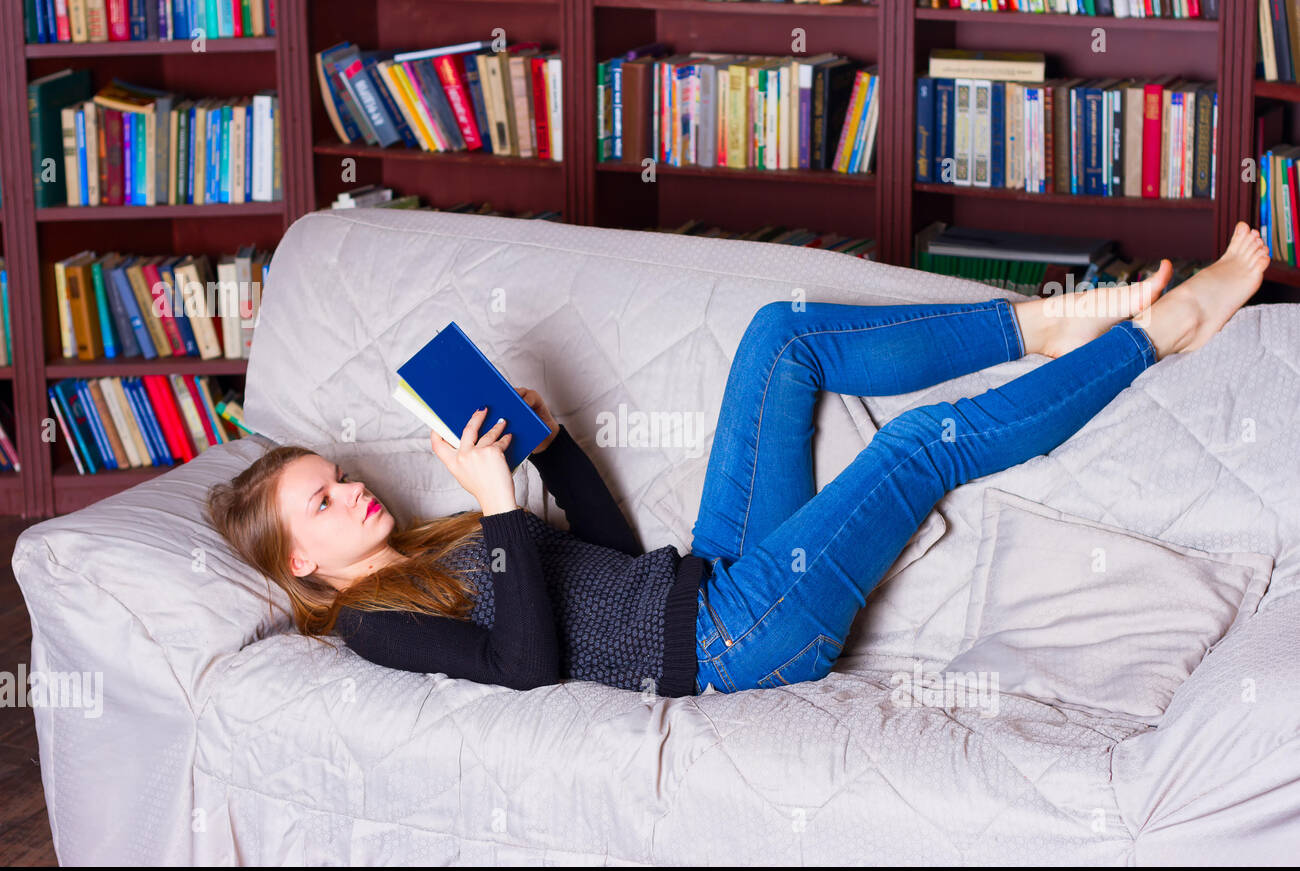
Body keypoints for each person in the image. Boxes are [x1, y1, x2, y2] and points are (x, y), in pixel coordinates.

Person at [205, 221, 1270, 696]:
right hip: (729, 644)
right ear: (300, 562)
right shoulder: (371, 627)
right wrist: (498, 510)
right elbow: (528, 669)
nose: (353, 490)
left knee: (781, 336)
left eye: (335, 477)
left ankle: (1040, 326)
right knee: (913, 448)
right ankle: (1159, 330)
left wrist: (550, 450)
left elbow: (613, 560)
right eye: (325, 500)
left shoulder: (433, 545)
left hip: (709, 575)